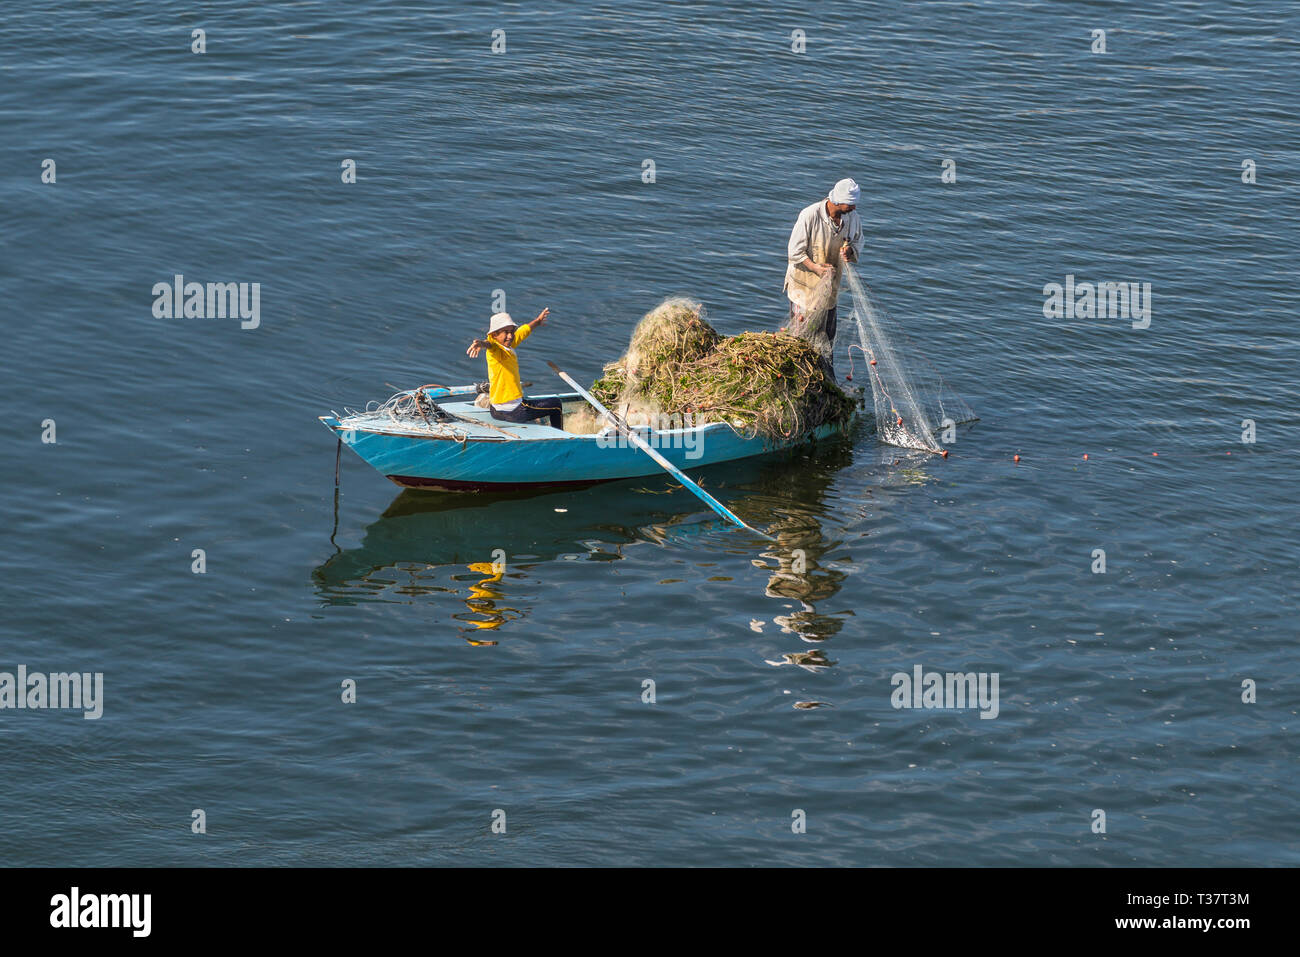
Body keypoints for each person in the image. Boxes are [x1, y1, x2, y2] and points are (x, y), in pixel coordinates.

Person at [782, 178, 864, 375]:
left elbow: (858, 241)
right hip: (805, 288)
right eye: (850, 204)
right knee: (802, 334)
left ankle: (823, 376)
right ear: (837, 201)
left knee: (827, 335)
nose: (853, 208)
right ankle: (800, 375)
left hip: (830, 289)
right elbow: (794, 252)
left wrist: (850, 252)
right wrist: (816, 268)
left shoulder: (852, 218)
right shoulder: (810, 215)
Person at [465, 308, 565, 430]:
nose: (510, 336)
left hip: (496, 411)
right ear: (494, 335)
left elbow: (522, 332)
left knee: (527, 400)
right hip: (514, 412)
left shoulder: (507, 345)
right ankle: (560, 436)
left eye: (512, 331)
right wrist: (480, 343)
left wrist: (538, 321)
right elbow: (489, 345)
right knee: (556, 404)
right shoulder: (495, 350)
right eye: (506, 332)